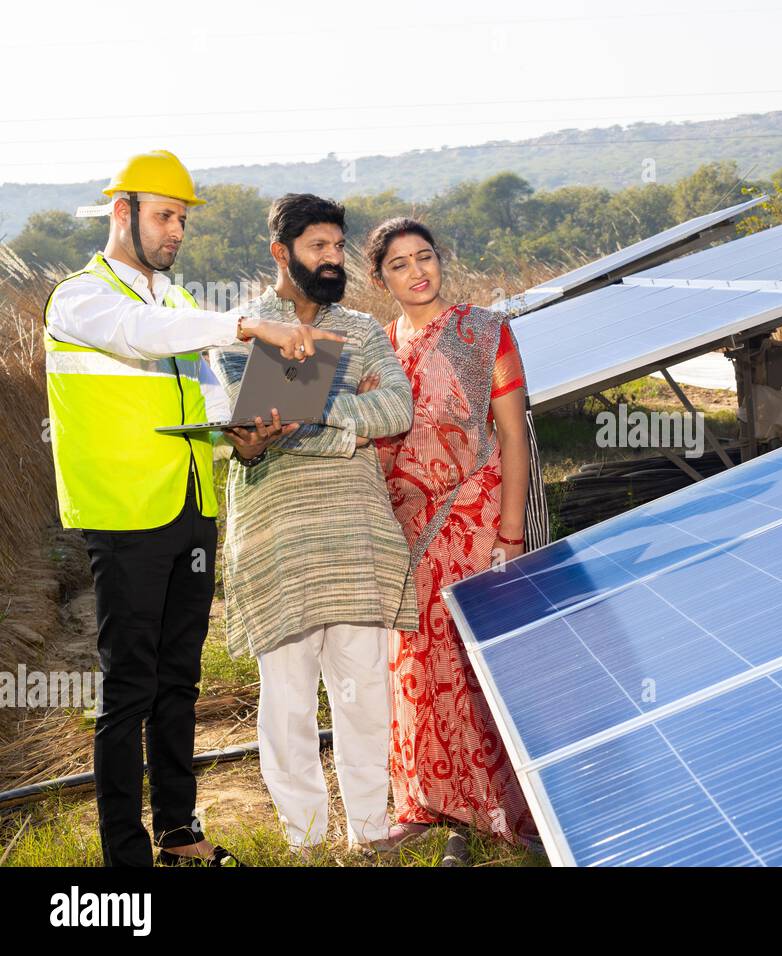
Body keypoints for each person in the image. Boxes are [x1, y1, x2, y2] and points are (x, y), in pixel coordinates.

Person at [43, 149, 343, 867]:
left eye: (181, 219)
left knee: (179, 680)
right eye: (164, 215)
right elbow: (139, 336)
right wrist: (248, 326)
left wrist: (248, 434)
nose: (176, 231)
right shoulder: (80, 299)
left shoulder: (175, 303)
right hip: (123, 514)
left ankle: (178, 834)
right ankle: (127, 856)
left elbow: (205, 398)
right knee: (129, 687)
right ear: (124, 213)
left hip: (188, 508)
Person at [211, 194, 417, 857]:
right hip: (276, 537)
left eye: (337, 247)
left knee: (363, 697)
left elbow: (395, 409)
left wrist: (322, 421)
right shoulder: (240, 331)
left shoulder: (361, 329)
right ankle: (303, 840)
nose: (332, 260)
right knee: (288, 704)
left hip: (355, 537)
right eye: (317, 248)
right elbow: (239, 433)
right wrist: (254, 443)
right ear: (281, 252)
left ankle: (372, 830)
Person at [361, 217, 538, 856]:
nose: (418, 272)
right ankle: (428, 800)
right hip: (405, 531)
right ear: (381, 279)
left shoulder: (482, 330)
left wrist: (512, 533)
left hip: (477, 514)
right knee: (415, 660)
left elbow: (514, 434)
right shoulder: (379, 348)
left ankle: (493, 806)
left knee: (471, 659)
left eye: (425, 257)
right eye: (401, 264)